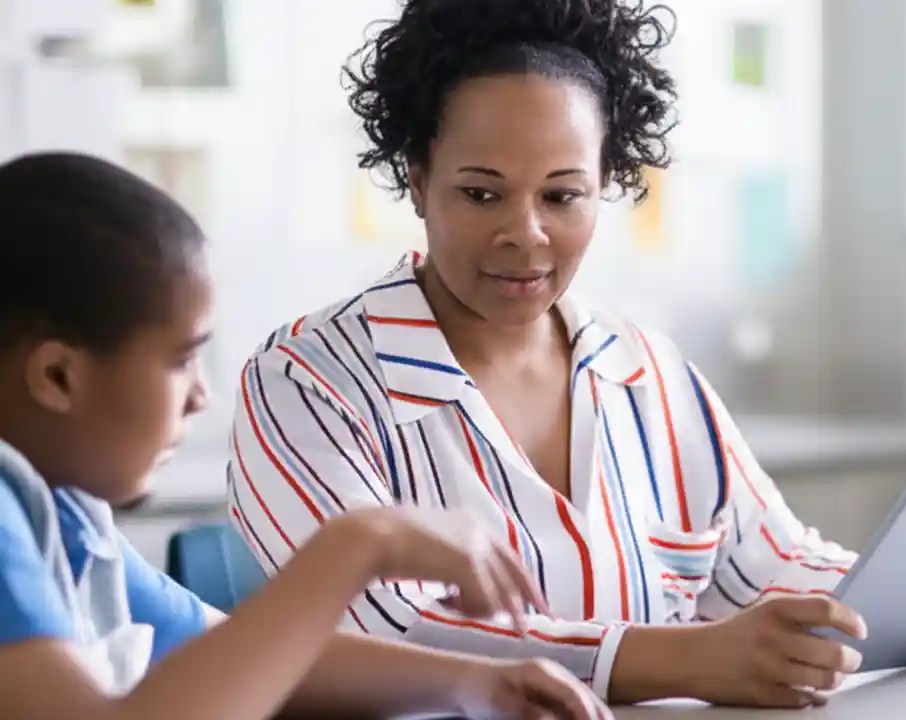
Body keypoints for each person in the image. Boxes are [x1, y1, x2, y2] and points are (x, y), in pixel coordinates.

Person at [229, 0, 906, 707]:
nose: (525, 233)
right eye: (481, 193)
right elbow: (385, 637)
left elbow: (770, 561)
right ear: (417, 178)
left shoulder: (646, 371)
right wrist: (682, 660)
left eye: (562, 195)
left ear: (605, 184)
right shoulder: (306, 382)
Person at [0, 152, 610, 720]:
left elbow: (237, 659)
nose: (199, 395)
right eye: (181, 360)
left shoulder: (62, 512)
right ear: (57, 375)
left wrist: (473, 680)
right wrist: (357, 545)